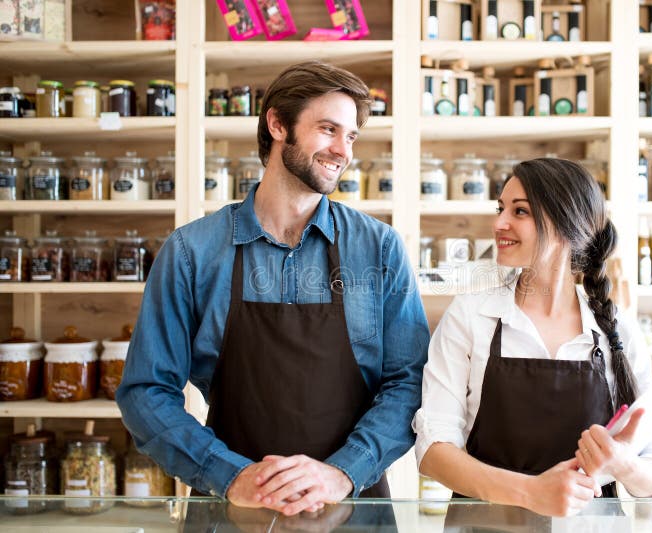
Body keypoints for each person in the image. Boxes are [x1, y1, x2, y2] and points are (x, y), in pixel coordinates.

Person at [117, 61, 430, 516]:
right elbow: (145, 391)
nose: (342, 151)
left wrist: (342, 472)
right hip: (232, 506)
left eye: (351, 136)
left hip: (349, 506)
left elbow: (408, 382)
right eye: (328, 129)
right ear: (278, 124)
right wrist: (230, 474)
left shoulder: (378, 248)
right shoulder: (192, 252)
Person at [413, 158, 652, 517]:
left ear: (567, 223)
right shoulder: (471, 317)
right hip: (485, 526)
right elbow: (433, 451)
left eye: (520, 211)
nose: (499, 223)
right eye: (501, 209)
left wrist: (625, 465)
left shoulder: (616, 330)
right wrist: (529, 492)